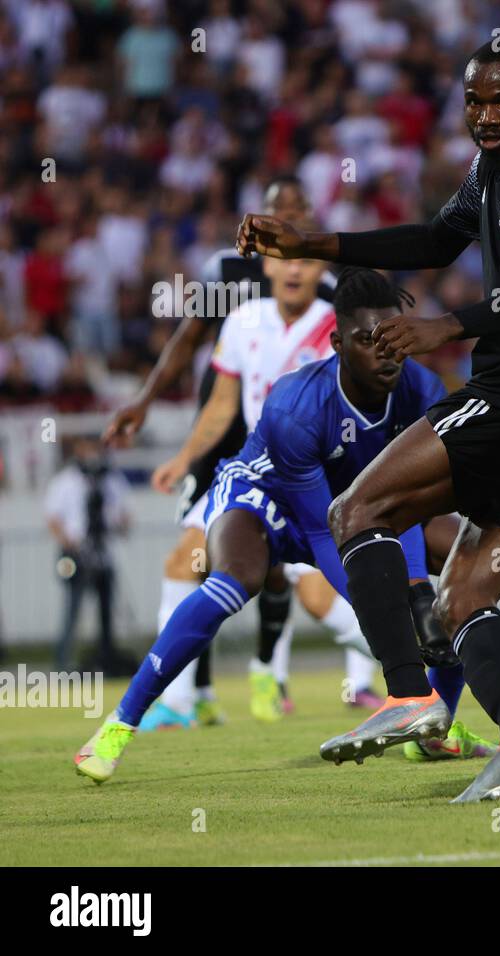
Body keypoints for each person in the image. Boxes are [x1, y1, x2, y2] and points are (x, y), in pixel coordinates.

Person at [234, 39, 500, 802]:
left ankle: (408, 697)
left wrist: (452, 325)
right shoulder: (491, 170)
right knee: (460, 598)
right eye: (474, 101)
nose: (486, 115)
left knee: (357, 508)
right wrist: (317, 244)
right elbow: (437, 240)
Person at [74, 268, 493, 783]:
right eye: (368, 340)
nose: (387, 352)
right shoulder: (296, 406)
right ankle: (120, 723)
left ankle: (434, 730)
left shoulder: (420, 390)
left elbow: (399, 504)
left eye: (395, 338)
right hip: (267, 500)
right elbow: (324, 532)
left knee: (465, 568)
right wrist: (397, 603)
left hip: (353, 508)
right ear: (337, 343)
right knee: (236, 581)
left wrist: (420, 593)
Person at [100, 177, 356, 726]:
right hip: (233, 458)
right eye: (276, 214)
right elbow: (196, 355)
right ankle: (191, 696)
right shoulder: (233, 293)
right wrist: (154, 415)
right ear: (261, 236)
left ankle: (389, 673)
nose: (292, 264)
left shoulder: (335, 302)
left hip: (305, 464)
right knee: (195, 562)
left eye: (297, 217)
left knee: (300, 582)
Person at [44, 436, 132, 672]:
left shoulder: (111, 479)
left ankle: (107, 658)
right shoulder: (65, 481)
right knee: (72, 607)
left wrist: (119, 526)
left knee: (107, 609)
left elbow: (124, 514)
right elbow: (53, 518)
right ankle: (63, 661)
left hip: (104, 551)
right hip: (75, 553)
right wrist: (69, 542)